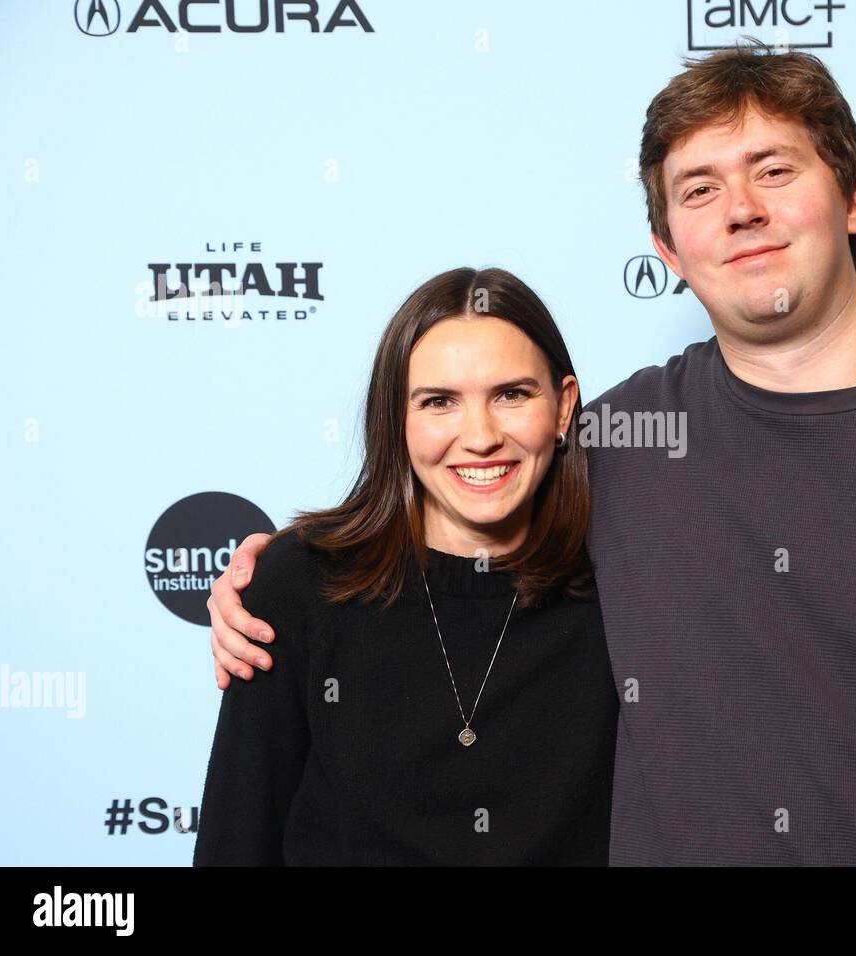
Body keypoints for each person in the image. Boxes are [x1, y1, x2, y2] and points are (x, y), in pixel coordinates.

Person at [207, 42, 856, 865]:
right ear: (665, 249)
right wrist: (272, 574)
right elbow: (449, 508)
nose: (739, 209)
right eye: (697, 189)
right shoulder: (611, 447)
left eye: (774, 170)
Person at [194, 267, 618, 865]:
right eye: (440, 402)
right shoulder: (299, 584)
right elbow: (236, 839)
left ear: (564, 407)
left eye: (512, 395)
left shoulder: (630, 574)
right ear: (398, 418)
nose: (480, 437)